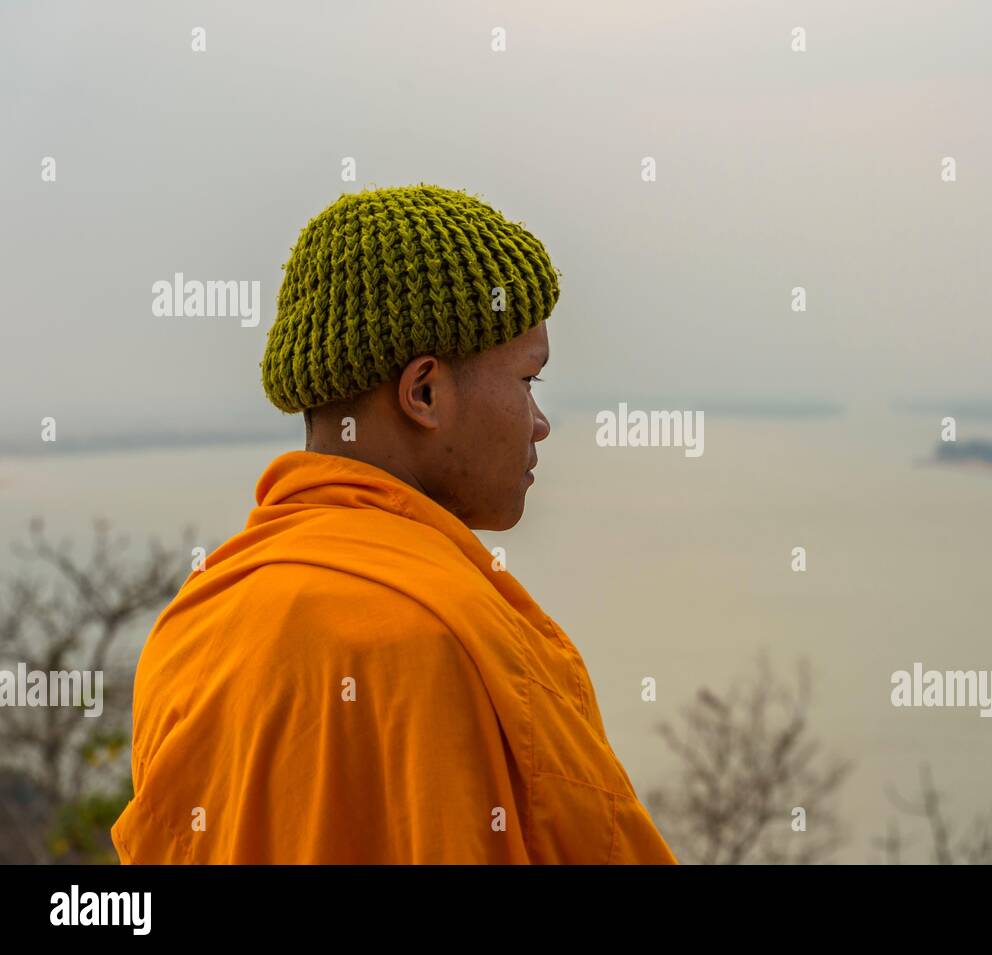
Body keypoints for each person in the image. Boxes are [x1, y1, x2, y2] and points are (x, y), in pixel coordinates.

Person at [111, 184, 678, 864]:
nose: (540, 423)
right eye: (531, 382)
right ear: (424, 393)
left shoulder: (195, 625)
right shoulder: (452, 639)